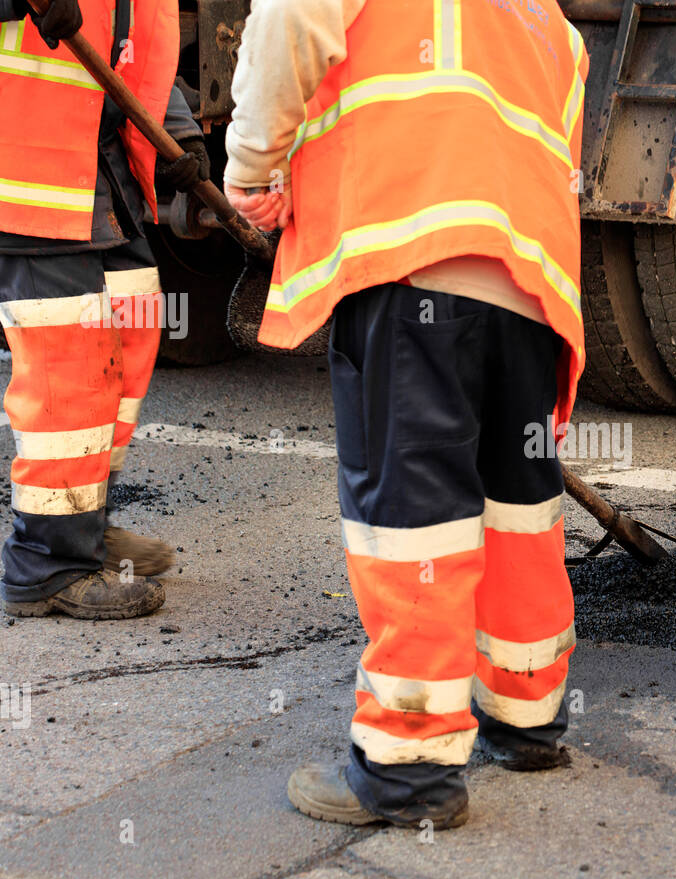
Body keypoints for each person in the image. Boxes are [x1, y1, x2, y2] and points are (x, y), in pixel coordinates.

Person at [225, 0, 588, 829]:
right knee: (517, 505)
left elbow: (291, 20)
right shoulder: (541, 16)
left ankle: (407, 769)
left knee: (415, 519)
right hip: (531, 281)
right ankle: (525, 715)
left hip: (411, 255)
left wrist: (252, 168)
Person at [0, 0, 210, 618]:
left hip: (100, 167)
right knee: (69, 370)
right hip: (23, 168)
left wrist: (178, 129)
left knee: (133, 332)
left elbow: (139, 35)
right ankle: (47, 564)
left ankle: (82, 522)